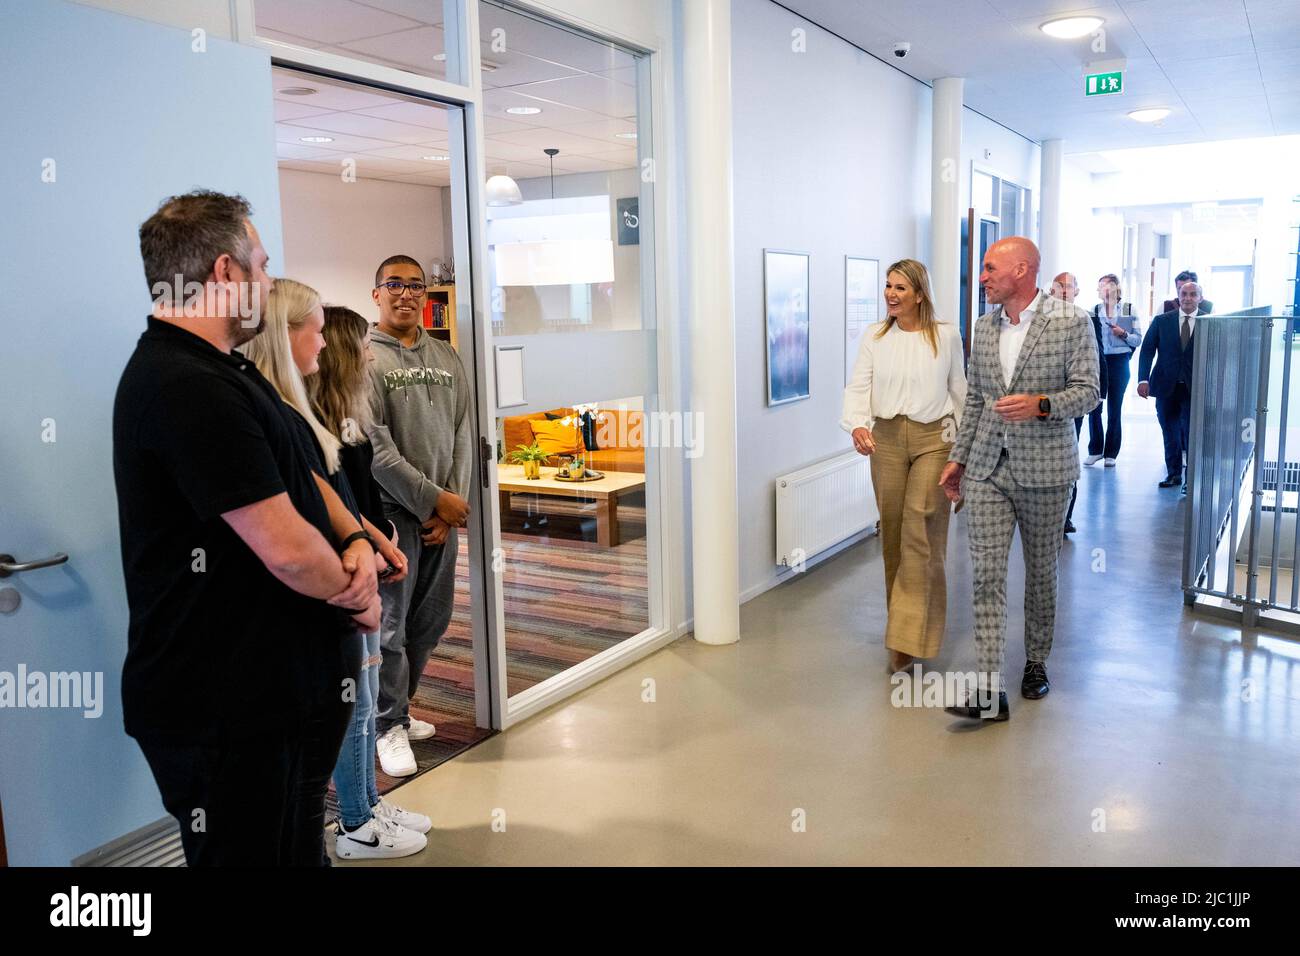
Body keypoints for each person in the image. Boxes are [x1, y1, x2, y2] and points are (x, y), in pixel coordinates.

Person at [113, 190, 380, 866]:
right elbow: (287, 550)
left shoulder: (226, 370)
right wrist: (355, 590)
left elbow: (302, 475)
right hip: (224, 712)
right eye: (261, 267)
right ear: (227, 273)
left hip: (276, 700)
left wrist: (353, 540)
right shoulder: (182, 384)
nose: (267, 282)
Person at [938, 237, 1099, 720]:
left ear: (1022, 269)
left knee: (1040, 572)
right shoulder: (984, 328)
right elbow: (975, 403)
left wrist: (1042, 405)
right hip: (988, 468)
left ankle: (1035, 662)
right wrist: (958, 459)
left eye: (990, 268)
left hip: (1046, 471)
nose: (982, 277)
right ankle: (989, 689)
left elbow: (1089, 392)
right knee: (986, 574)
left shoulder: (1072, 322)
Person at [311, 304, 434, 858]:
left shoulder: (347, 416)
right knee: (356, 703)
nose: (368, 353)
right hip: (342, 576)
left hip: (365, 557)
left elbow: (352, 502)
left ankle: (367, 804)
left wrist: (380, 542)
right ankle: (357, 822)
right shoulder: (311, 426)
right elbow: (332, 505)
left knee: (362, 694)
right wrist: (371, 547)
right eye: (360, 344)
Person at [368, 255, 473, 777]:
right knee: (390, 627)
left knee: (429, 622)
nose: (406, 294)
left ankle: (398, 712)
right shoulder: (365, 359)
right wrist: (434, 501)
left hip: (439, 517)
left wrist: (451, 504)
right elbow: (377, 452)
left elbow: (462, 432)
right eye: (395, 285)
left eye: (415, 286)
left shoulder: (446, 356)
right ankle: (385, 725)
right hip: (391, 518)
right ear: (377, 294)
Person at [841, 259, 967, 674]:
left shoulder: (945, 335)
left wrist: (963, 452)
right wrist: (858, 425)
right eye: (888, 287)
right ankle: (901, 631)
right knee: (893, 531)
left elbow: (959, 390)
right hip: (888, 439)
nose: (891, 295)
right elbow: (859, 385)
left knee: (922, 527)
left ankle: (912, 638)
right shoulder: (876, 337)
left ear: (919, 293)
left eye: (900, 288)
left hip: (936, 438)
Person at [1049, 272, 1102, 536]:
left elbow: (1097, 354)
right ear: (1052, 290)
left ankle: (1065, 516)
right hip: (1047, 398)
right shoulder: (1041, 319)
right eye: (1061, 287)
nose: (1066, 291)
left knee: (1070, 452)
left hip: (1075, 397)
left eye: (1070, 287)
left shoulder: (1087, 319)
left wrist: (1098, 393)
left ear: (1077, 291)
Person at [1139, 280, 1202, 493]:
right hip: (1166, 385)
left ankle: (1190, 481)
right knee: (1170, 431)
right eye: (1184, 294)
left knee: (1191, 433)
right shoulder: (1162, 321)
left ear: (1200, 298)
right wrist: (1143, 379)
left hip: (1194, 387)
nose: (1188, 298)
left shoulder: (1208, 322)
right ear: (1178, 296)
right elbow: (1147, 350)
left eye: (1193, 294)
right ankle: (1174, 474)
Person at [1084, 274, 1142, 468]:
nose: (1099, 290)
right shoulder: (1094, 310)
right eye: (1099, 287)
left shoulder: (1128, 309)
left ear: (1113, 287)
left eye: (1102, 286)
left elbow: (1137, 339)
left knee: (1114, 409)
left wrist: (1123, 334)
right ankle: (1095, 450)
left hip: (1119, 361)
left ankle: (1111, 453)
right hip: (1098, 361)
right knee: (1094, 407)